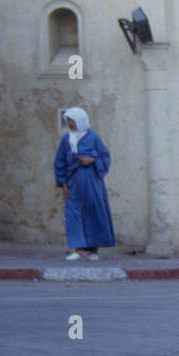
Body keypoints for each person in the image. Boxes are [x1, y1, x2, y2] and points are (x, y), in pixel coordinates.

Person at [53, 108, 116, 261]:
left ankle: (94, 250)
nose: (70, 124)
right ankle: (78, 249)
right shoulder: (66, 139)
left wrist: (92, 160)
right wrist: (63, 184)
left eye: (73, 121)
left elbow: (105, 157)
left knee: (94, 211)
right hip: (73, 181)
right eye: (69, 121)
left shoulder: (93, 137)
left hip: (91, 181)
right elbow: (60, 161)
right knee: (73, 213)